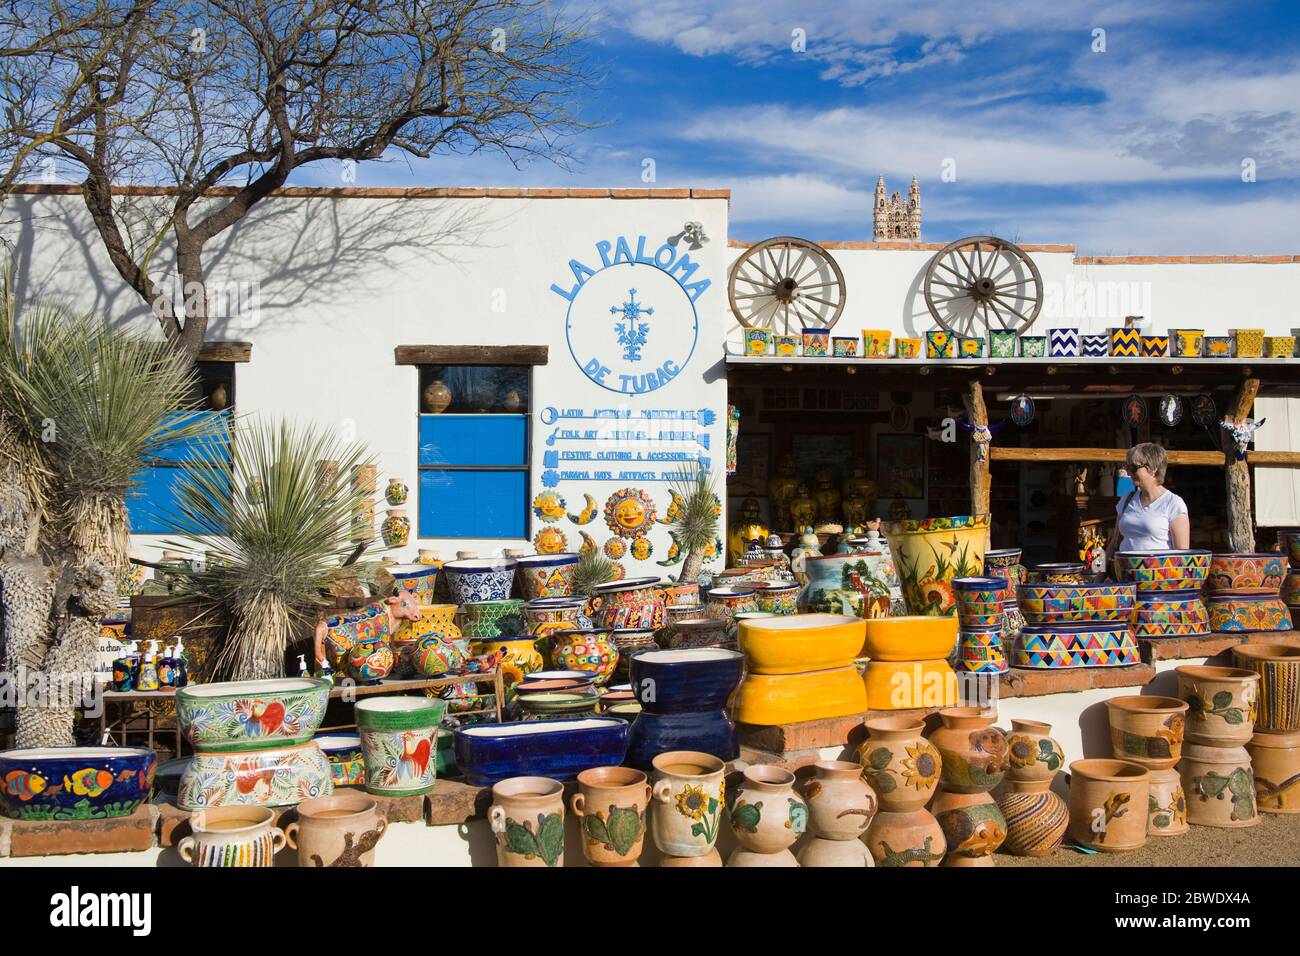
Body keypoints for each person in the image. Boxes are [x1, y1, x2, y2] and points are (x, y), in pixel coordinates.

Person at [1106, 443, 1190, 555]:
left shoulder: (1173, 503)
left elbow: (1182, 556)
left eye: (1134, 468)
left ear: (1153, 468)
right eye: (1127, 467)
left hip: (1159, 572)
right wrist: (1098, 570)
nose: (1129, 472)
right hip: (1124, 571)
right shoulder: (1127, 499)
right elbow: (1113, 544)